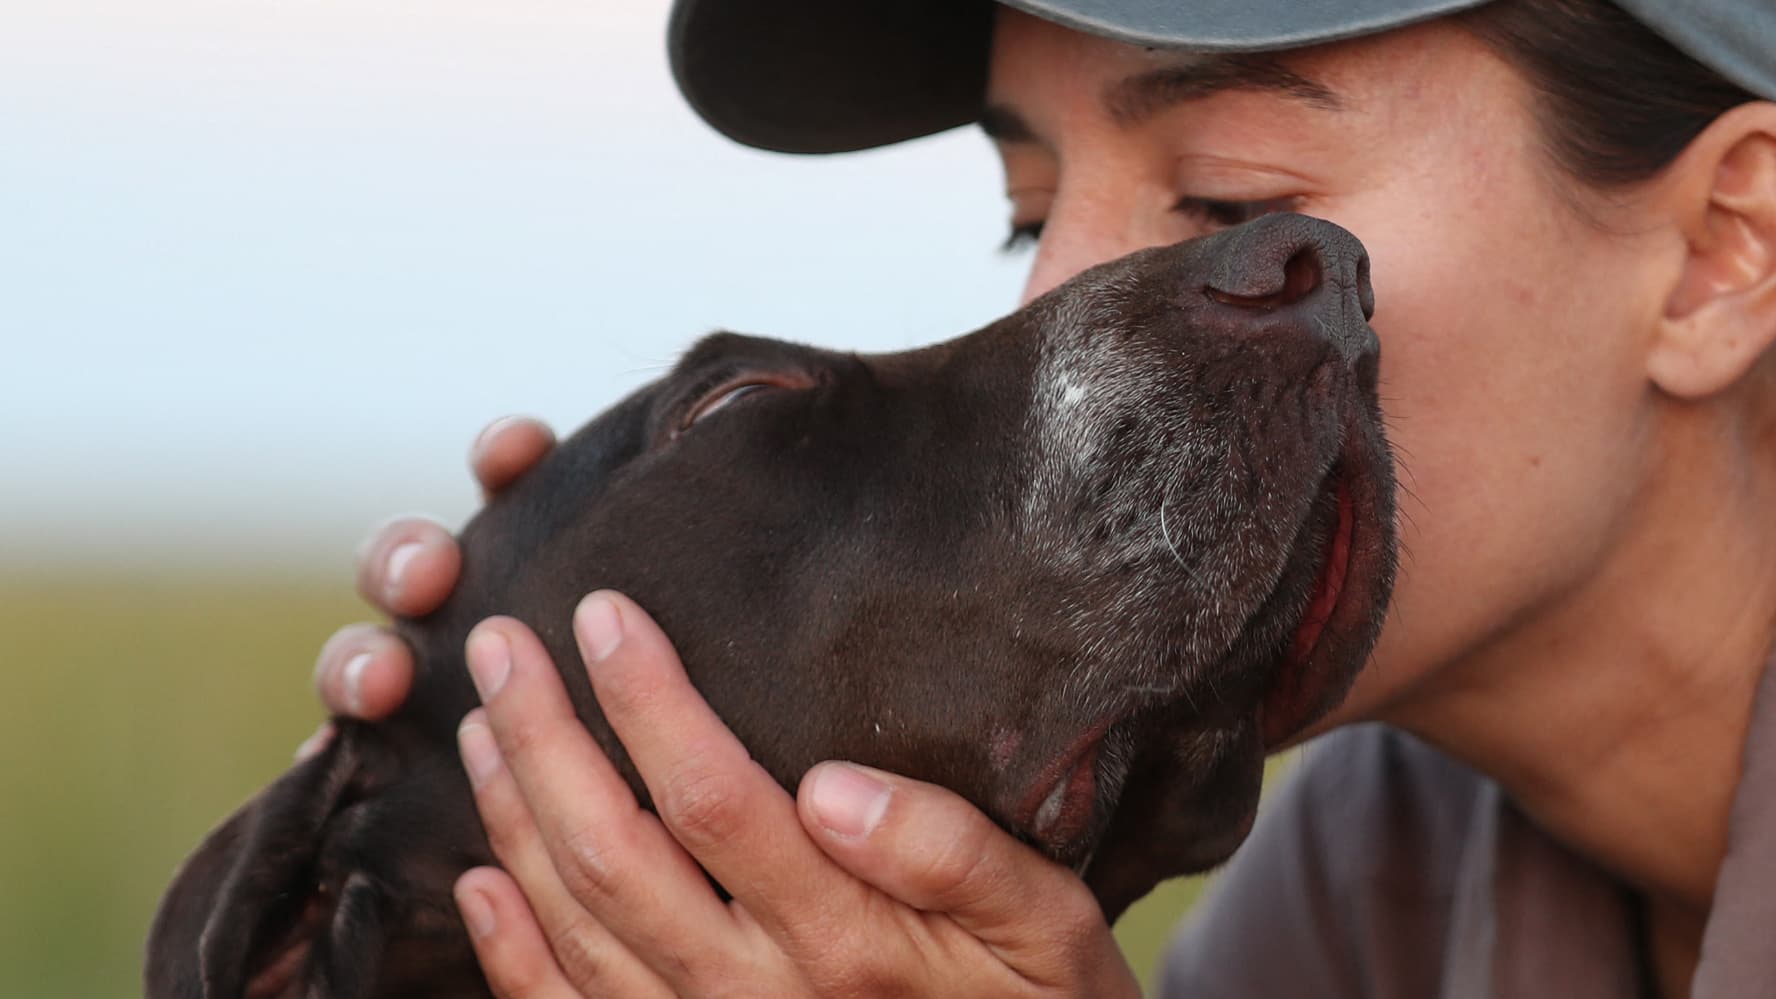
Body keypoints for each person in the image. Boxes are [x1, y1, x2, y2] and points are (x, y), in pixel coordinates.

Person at [305, 0, 1776, 995]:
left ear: (1724, 248)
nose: (1058, 307)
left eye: (1227, 204)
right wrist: (458, 778)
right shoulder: (1382, 878)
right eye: (1029, 211)